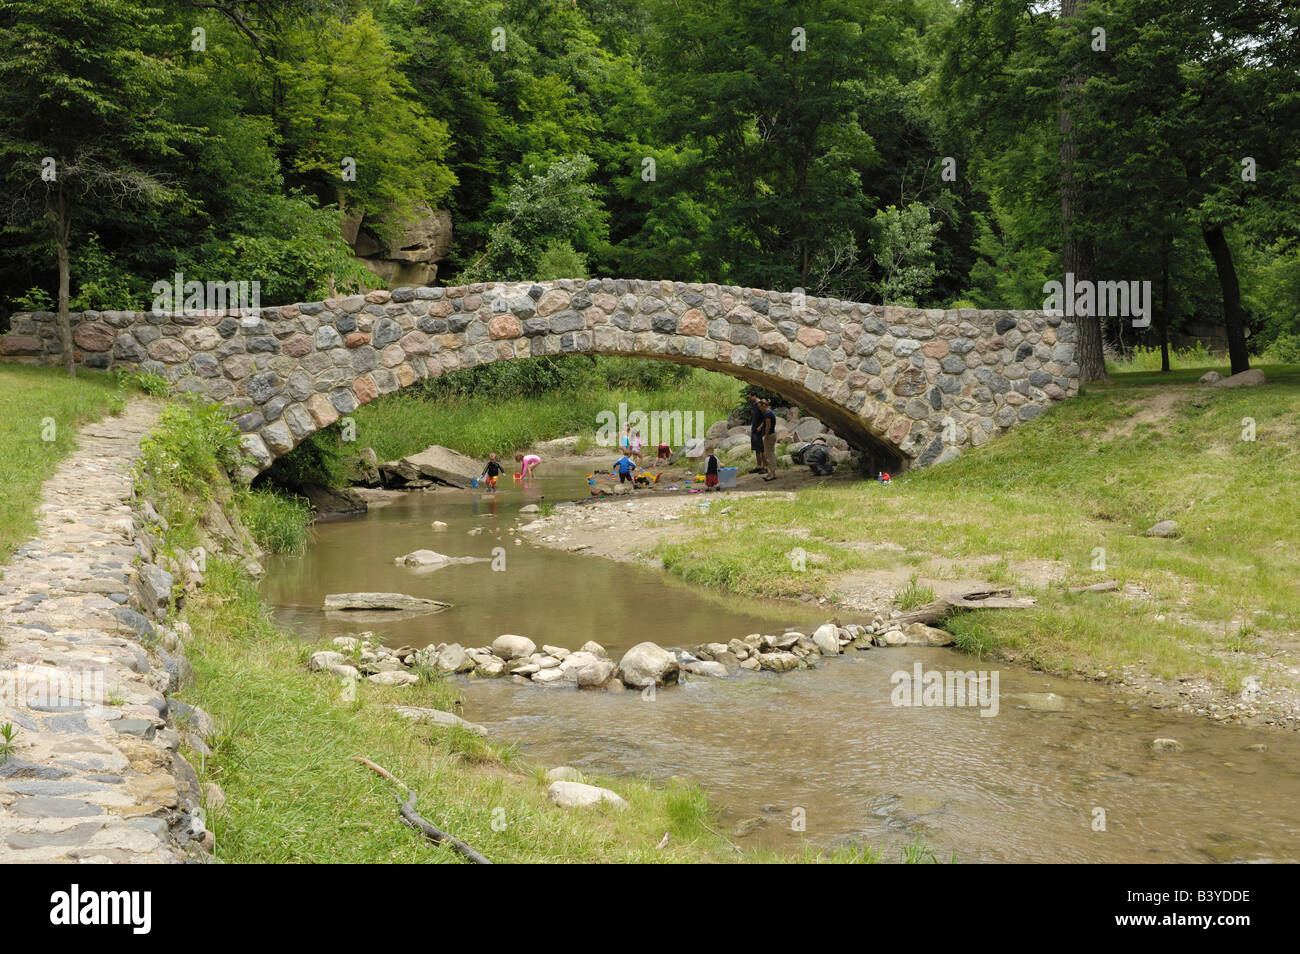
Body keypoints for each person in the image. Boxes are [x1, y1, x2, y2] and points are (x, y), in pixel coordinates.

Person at [759, 399, 778, 481]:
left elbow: (768, 425)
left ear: (764, 405)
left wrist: (766, 436)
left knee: (769, 455)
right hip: (771, 435)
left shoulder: (768, 413)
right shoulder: (769, 412)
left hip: (769, 436)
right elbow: (765, 423)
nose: (760, 408)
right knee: (769, 454)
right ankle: (771, 472)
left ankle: (773, 474)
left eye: (760, 407)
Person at [747, 393, 766, 474]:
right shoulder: (754, 405)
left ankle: (765, 467)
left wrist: (760, 426)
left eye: (750, 396)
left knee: (762, 449)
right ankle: (758, 466)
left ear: (754, 395)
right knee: (756, 449)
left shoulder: (760, 404)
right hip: (754, 429)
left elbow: (766, 417)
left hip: (760, 430)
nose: (749, 398)